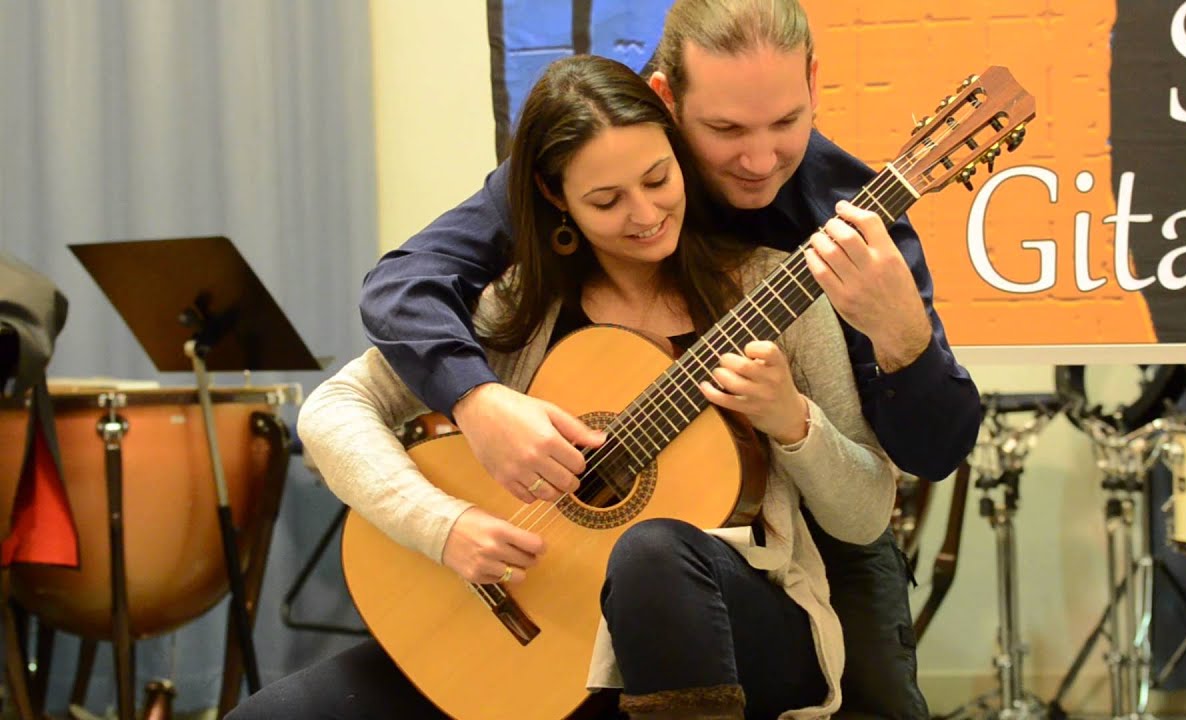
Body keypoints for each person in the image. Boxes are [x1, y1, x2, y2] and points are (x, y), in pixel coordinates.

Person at [359, 1, 981, 716]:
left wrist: (900, 338)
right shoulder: (596, 153)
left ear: (814, 82)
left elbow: (927, 456)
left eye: (786, 123)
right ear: (666, 99)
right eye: (724, 129)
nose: (758, 158)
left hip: (788, 545)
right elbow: (397, 290)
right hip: (569, 572)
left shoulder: (846, 217)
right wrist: (478, 402)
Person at [230, 54, 895, 720]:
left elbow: (863, 516)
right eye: (606, 200)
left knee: (652, 552)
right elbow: (332, 409)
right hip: (539, 632)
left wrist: (792, 421)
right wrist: (445, 525)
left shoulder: (775, 292)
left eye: (659, 178)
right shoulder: (520, 307)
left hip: (733, 628)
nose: (645, 214)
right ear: (556, 197)